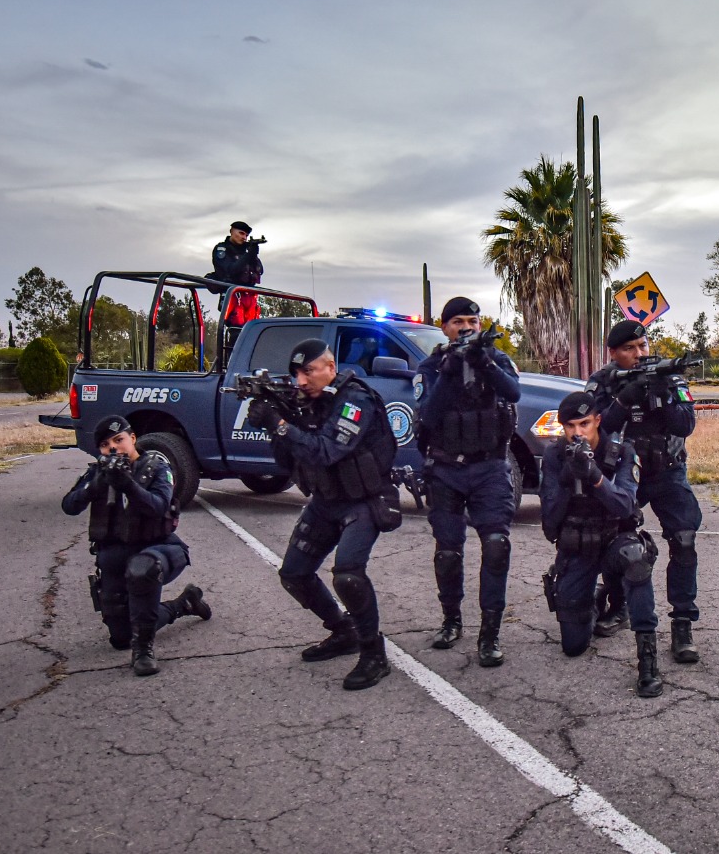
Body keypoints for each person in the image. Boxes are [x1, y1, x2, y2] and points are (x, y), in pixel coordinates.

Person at [249, 338, 399, 691]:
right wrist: (276, 422)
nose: (301, 381)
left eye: (309, 372)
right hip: (326, 500)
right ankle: (342, 630)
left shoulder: (355, 400)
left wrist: (281, 423)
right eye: (296, 374)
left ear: (330, 369)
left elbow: (327, 451)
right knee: (294, 574)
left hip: (363, 499)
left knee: (348, 575)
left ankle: (373, 653)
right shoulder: (306, 403)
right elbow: (287, 463)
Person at [584, 320, 702, 664]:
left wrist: (661, 394)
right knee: (614, 539)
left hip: (667, 469)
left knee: (684, 539)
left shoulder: (670, 377)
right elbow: (593, 427)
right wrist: (623, 401)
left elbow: (686, 424)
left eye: (643, 346)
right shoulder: (603, 382)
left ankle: (682, 624)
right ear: (614, 353)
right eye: (629, 349)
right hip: (625, 474)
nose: (639, 354)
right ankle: (619, 604)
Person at [61, 415, 211, 676]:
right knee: (120, 637)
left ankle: (143, 650)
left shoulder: (156, 466)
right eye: (106, 445)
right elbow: (69, 505)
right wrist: (95, 486)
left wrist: (128, 486)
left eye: (119, 440)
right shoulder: (97, 471)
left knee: (141, 570)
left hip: (159, 549)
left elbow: (159, 506)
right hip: (116, 555)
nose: (114, 448)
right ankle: (184, 604)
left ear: (132, 439)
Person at [416, 297, 520, 665]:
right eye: (457, 321)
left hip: (489, 468)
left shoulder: (497, 359)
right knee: (447, 551)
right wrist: (450, 368)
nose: (466, 327)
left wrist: (483, 362)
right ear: (443, 327)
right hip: (445, 470)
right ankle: (451, 620)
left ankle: (489, 635)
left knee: (495, 547)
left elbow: (513, 392)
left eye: (472, 321)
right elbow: (428, 415)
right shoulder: (430, 367)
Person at [538, 392, 663, 698]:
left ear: (597, 421)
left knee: (635, 558)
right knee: (574, 646)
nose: (577, 433)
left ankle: (648, 660)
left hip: (613, 542)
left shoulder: (620, 451)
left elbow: (624, 505)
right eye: (570, 426)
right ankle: (596, 597)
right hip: (577, 547)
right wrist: (569, 480)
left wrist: (594, 477)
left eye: (584, 424)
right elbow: (549, 524)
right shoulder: (554, 457)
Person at [211, 221, 264, 286]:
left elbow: (260, 271)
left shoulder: (244, 251)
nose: (244, 237)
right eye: (241, 233)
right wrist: (249, 255)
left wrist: (253, 255)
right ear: (232, 231)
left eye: (246, 235)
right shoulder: (222, 249)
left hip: (248, 291)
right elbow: (230, 270)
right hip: (230, 292)